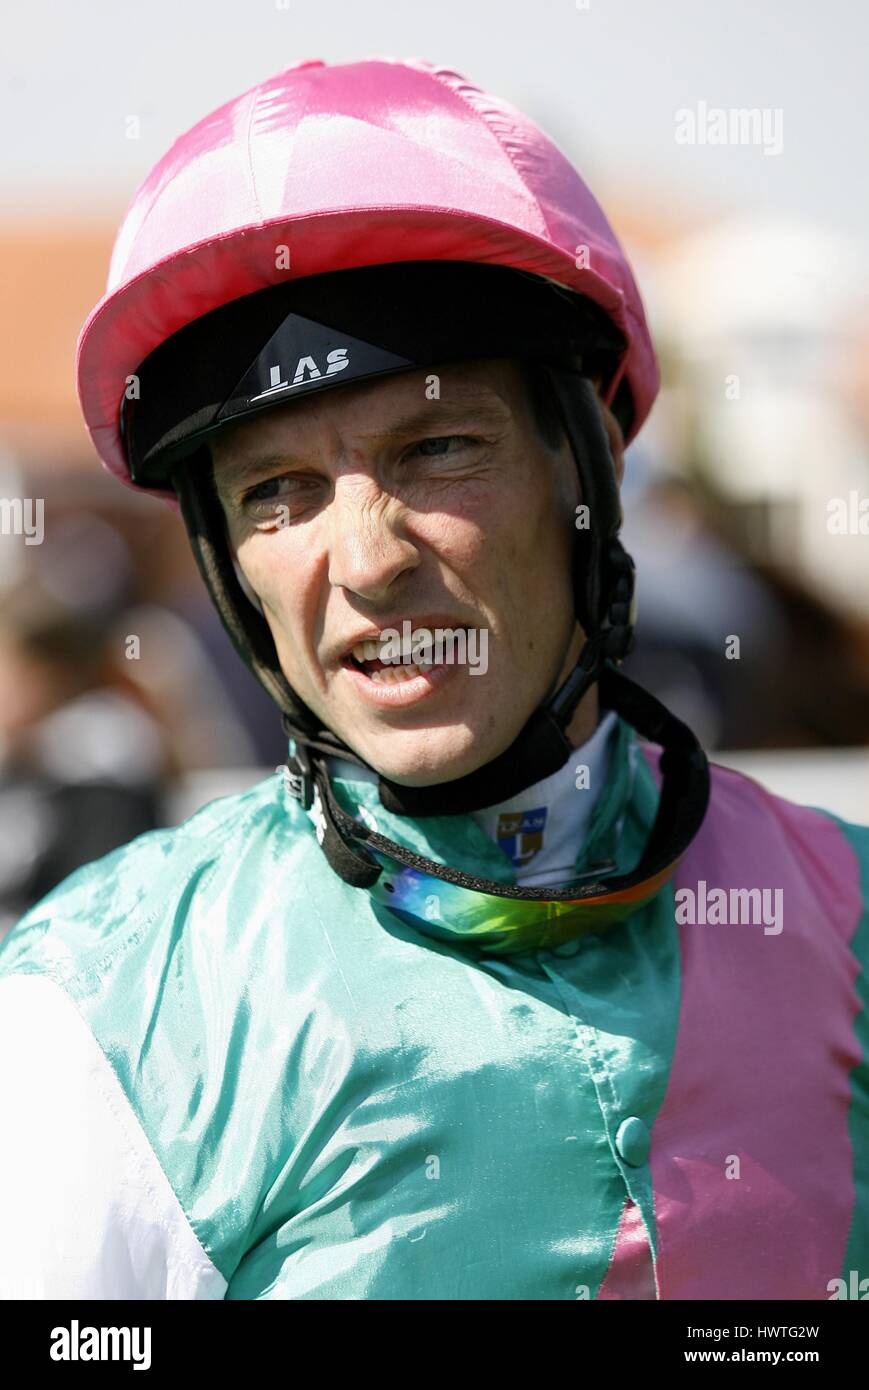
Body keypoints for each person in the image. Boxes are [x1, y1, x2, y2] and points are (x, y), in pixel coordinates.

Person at [0, 57, 866, 1302]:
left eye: (439, 447)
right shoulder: (98, 1007)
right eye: (275, 492)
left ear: (588, 473)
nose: (364, 562)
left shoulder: (849, 918)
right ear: (227, 562)